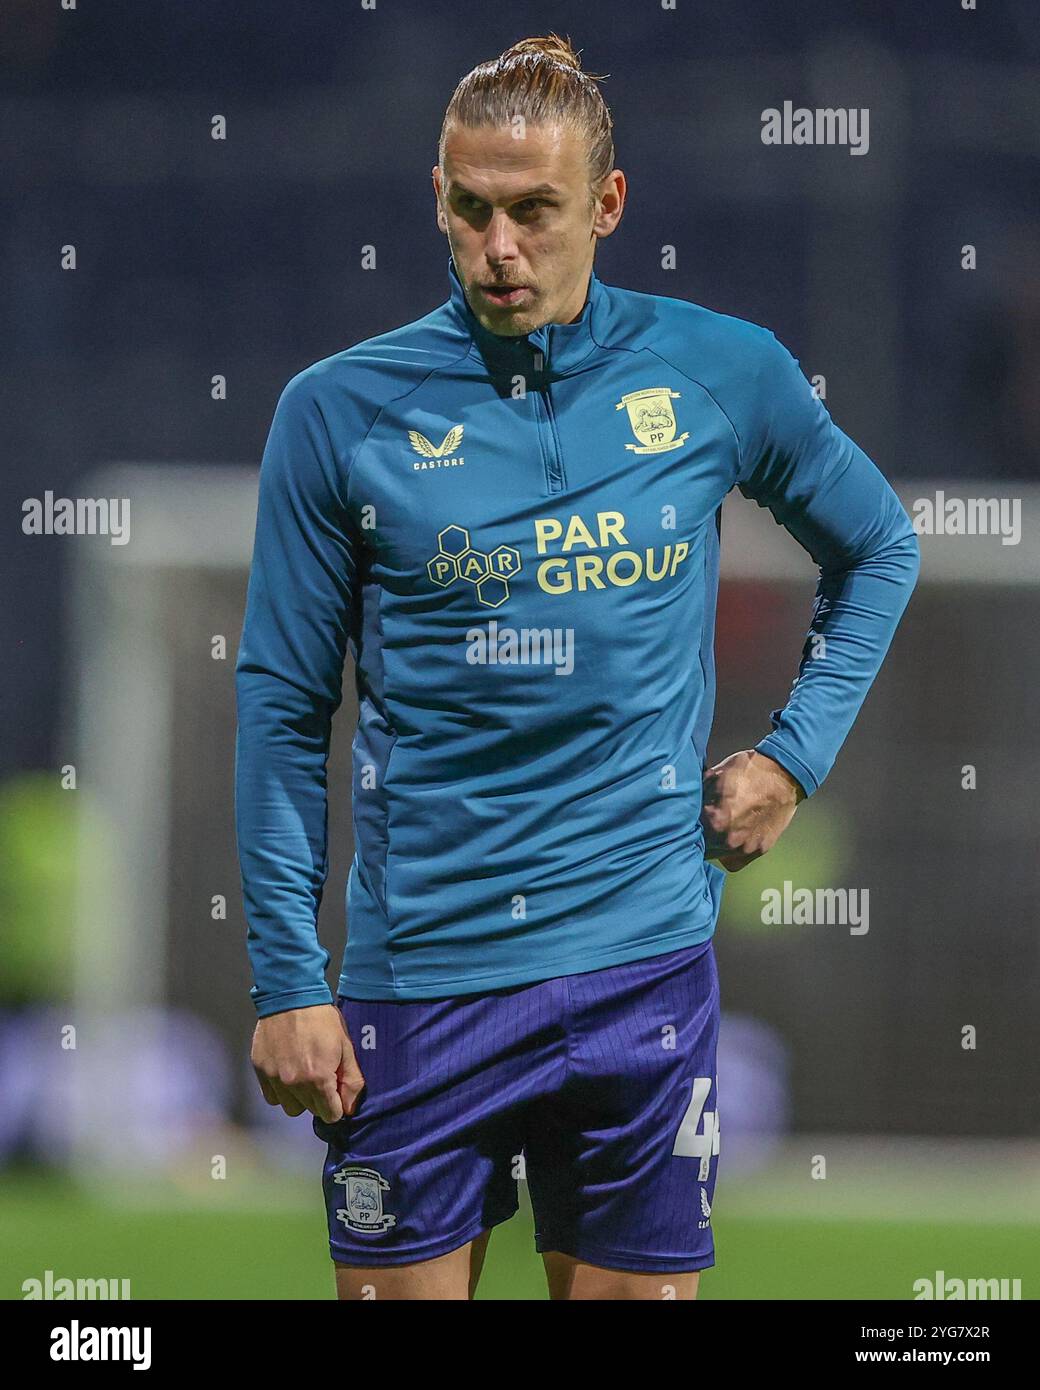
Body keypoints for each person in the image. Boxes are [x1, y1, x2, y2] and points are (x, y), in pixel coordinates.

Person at [234, 33, 919, 1301]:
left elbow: (877, 544)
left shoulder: (719, 372)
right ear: (435, 197)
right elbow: (280, 706)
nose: (500, 247)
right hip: (419, 988)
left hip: (639, 975)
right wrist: (287, 976)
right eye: (470, 208)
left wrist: (792, 752)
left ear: (606, 205)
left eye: (534, 211)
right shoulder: (337, 411)